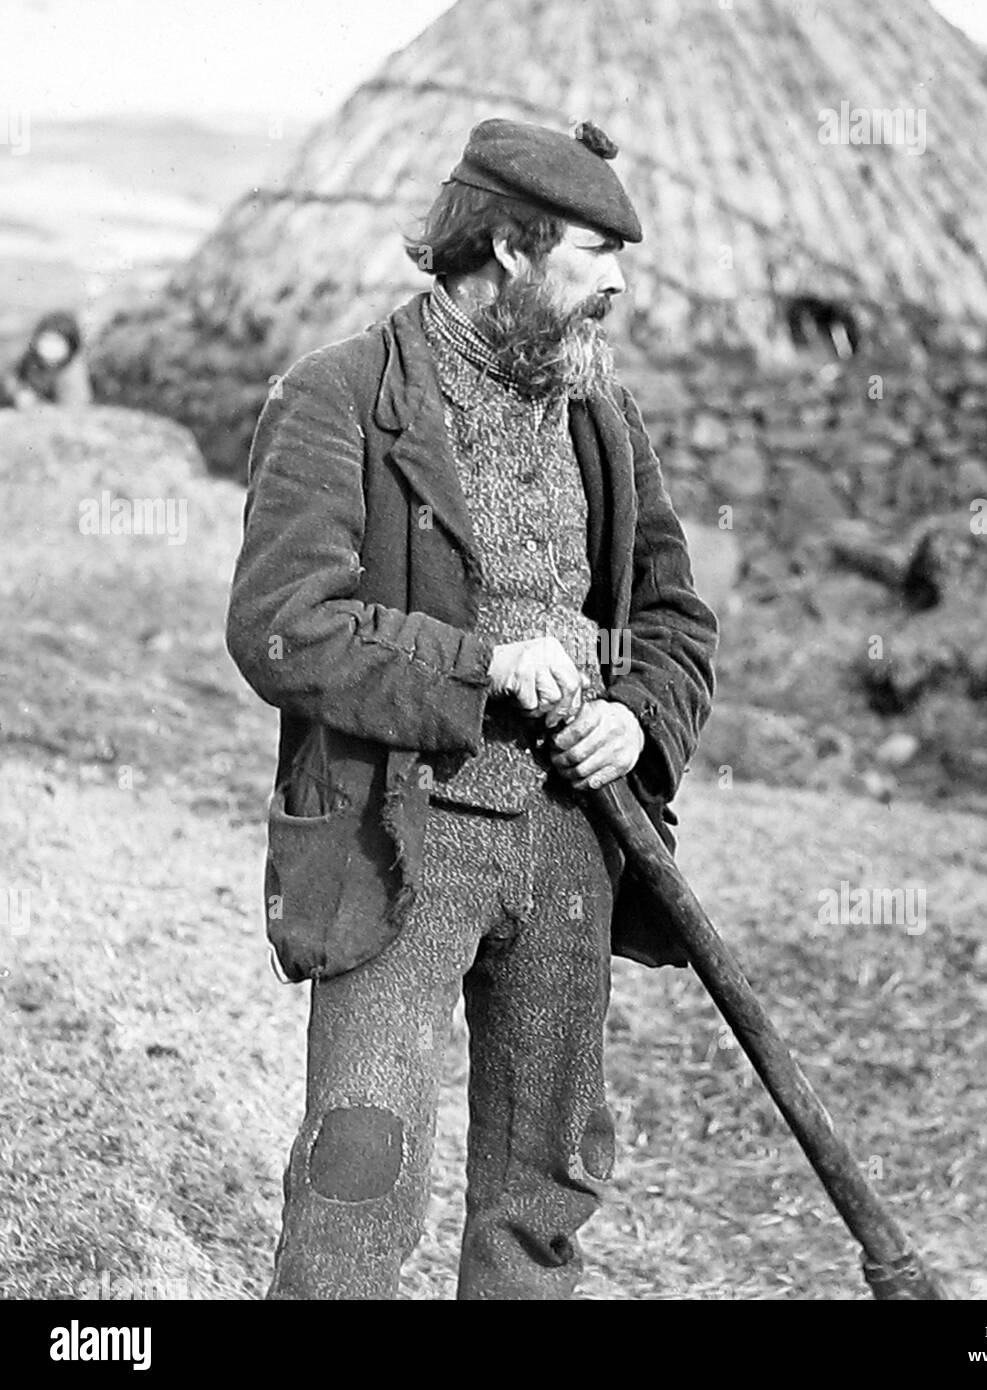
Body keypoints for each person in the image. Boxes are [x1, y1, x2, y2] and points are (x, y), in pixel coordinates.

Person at [226, 116, 718, 1300]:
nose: (616, 284)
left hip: (572, 843)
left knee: (540, 1205)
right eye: (597, 252)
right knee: (356, 1182)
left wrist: (641, 715)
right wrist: (482, 664)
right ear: (505, 246)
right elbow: (283, 625)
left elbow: (675, 619)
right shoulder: (337, 395)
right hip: (400, 840)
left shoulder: (602, 415)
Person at [0, 310, 92, 408]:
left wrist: (36, 405)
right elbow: (5, 372)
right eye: (47, 340)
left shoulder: (72, 373)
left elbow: (73, 408)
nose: (50, 347)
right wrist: (17, 391)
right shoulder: (22, 351)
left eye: (57, 342)